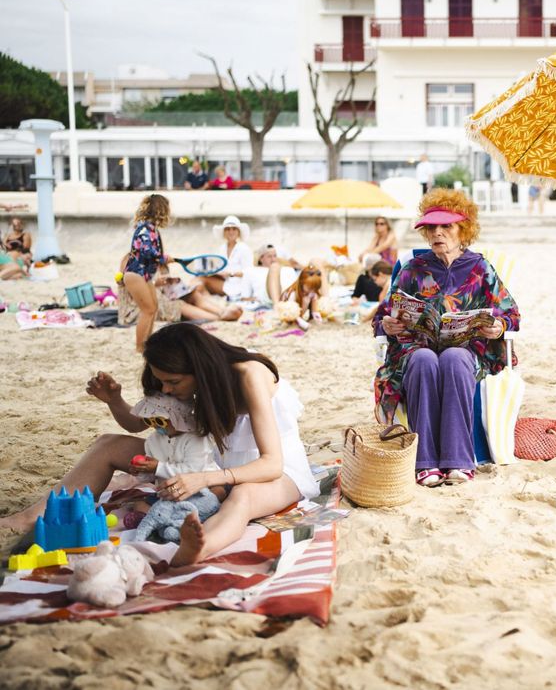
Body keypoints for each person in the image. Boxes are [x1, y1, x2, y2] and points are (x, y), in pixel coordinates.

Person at [0, 323, 320, 567]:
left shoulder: (248, 374)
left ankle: (195, 549)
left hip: (270, 473)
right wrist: (114, 400)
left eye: (173, 382)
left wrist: (203, 478)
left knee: (244, 496)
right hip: (201, 464)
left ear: (198, 369)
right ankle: (39, 515)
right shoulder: (183, 383)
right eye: (162, 381)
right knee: (108, 444)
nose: (166, 389)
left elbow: (271, 463)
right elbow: (141, 422)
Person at [374, 188, 520, 487]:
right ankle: (425, 462)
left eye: (447, 226)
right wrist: (388, 325)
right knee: (424, 360)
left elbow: (511, 313)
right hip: (417, 347)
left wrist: (498, 327)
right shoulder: (413, 269)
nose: (438, 233)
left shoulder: (480, 268)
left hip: (465, 349)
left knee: (454, 358)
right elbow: (381, 316)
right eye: (432, 227)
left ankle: (458, 461)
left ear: (463, 229)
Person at [121, 194, 173, 352]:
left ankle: (147, 346)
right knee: (148, 310)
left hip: (142, 275)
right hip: (135, 273)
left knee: (153, 308)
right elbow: (147, 252)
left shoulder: (151, 229)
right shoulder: (145, 228)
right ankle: (140, 348)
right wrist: (164, 258)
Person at [201, 216, 253, 298]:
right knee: (200, 276)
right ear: (224, 232)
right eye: (227, 229)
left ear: (238, 232)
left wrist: (230, 274)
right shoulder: (221, 249)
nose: (231, 232)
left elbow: (249, 273)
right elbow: (220, 269)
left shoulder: (244, 248)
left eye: (234, 229)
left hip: (238, 286)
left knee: (201, 281)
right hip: (225, 282)